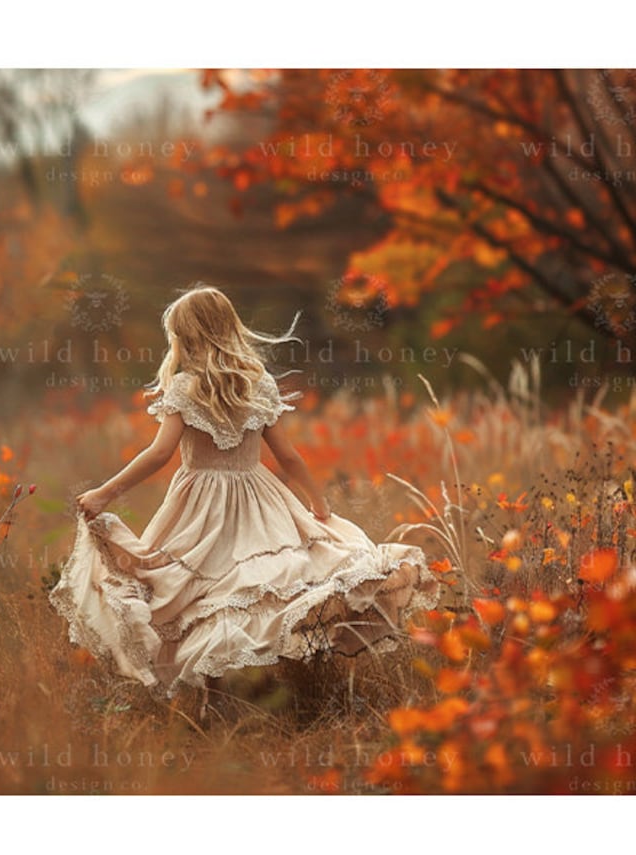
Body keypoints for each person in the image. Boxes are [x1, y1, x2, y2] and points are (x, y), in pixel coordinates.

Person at [49, 284, 441, 716]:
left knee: (202, 591)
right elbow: (289, 456)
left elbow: (159, 454)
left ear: (187, 337)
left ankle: (217, 702)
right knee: (262, 584)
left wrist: (106, 493)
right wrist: (318, 505)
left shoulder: (185, 387)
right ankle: (278, 691)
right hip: (260, 499)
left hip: (199, 507)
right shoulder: (259, 384)